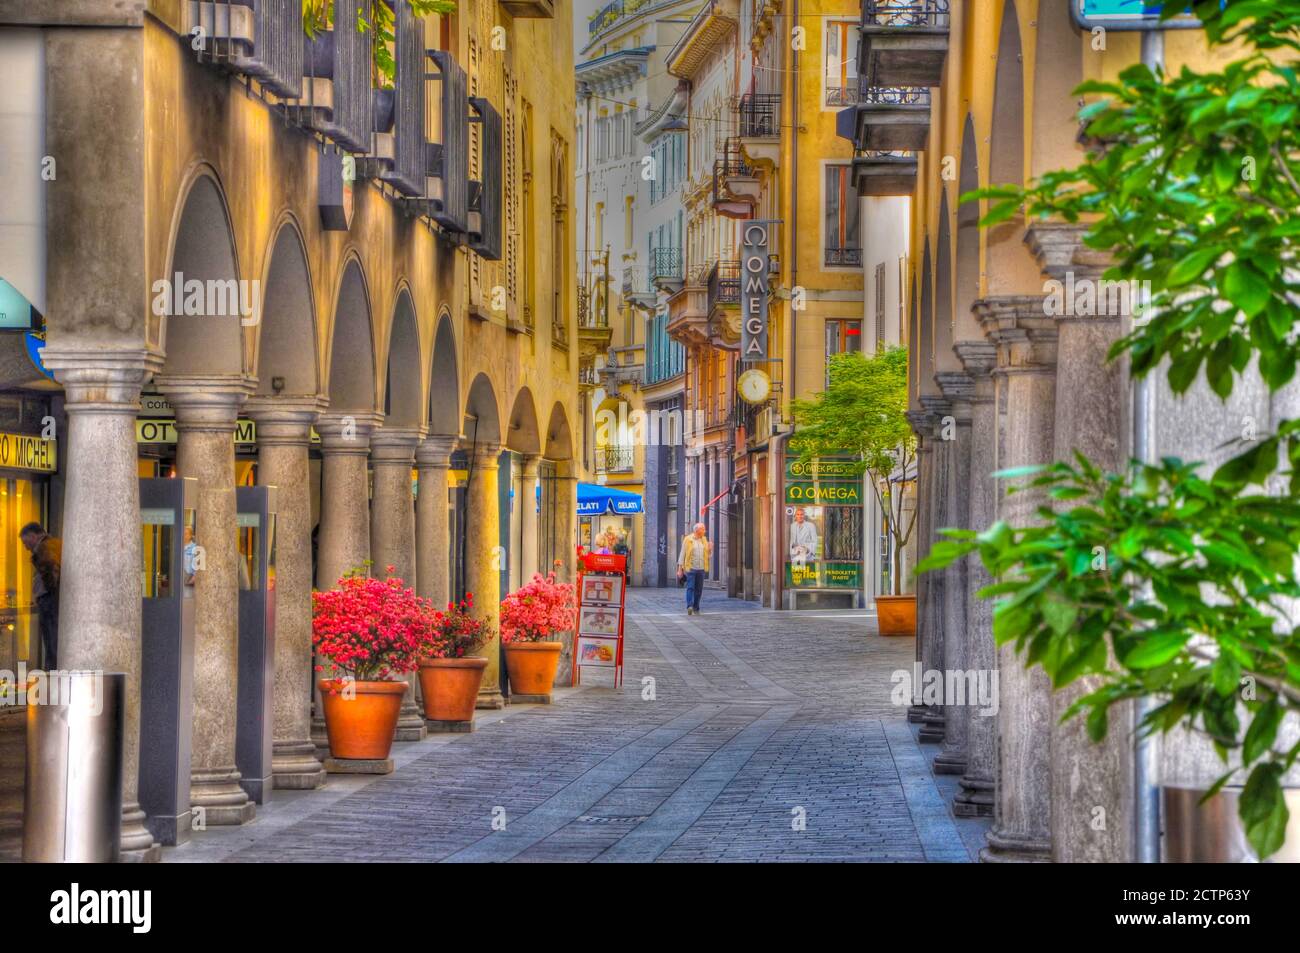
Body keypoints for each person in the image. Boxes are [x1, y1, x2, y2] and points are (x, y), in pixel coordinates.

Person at [19, 522, 61, 670]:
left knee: (51, 641)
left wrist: (47, 593)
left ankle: (52, 674)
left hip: (49, 600)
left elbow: (51, 571)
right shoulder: (52, 545)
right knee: (52, 640)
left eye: (26, 542)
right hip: (50, 599)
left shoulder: (45, 548)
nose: (25, 547)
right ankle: (52, 672)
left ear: (33, 535)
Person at [676, 522, 710, 616]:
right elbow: (682, 554)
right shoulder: (688, 539)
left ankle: (696, 607)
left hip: (701, 568)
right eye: (702, 529)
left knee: (699, 589)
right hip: (691, 568)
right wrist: (680, 569)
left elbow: (708, 555)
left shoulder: (704, 540)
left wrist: (710, 549)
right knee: (690, 587)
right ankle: (689, 606)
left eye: (704, 529)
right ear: (697, 530)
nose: (704, 531)